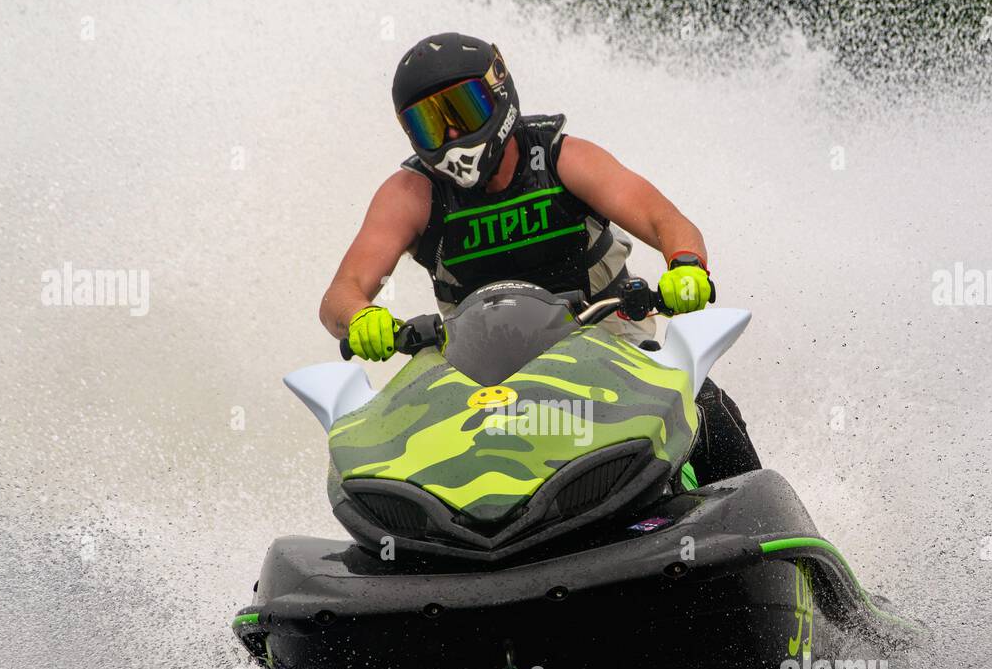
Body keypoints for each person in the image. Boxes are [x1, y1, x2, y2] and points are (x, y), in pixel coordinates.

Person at [319, 32, 759, 484]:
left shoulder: (562, 157)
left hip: (608, 348)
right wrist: (359, 317)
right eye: (431, 123)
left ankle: (770, 541)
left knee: (702, 403)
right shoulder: (410, 194)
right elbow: (342, 292)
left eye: (464, 109)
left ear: (499, 95)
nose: (452, 134)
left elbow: (665, 220)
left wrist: (686, 266)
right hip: (481, 378)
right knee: (396, 454)